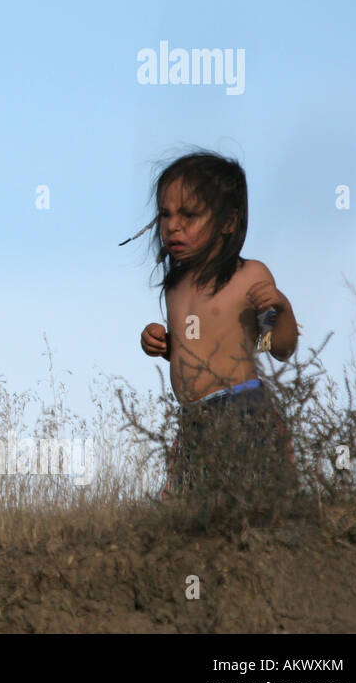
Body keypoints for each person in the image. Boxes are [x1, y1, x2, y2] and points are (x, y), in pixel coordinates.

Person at [123, 151, 300, 504]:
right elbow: (196, 345)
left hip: (242, 409)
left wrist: (282, 309)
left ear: (228, 222)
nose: (173, 226)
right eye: (166, 214)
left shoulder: (248, 277)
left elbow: (279, 347)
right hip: (193, 418)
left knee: (257, 501)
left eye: (189, 215)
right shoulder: (176, 286)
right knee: (190, 509)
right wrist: (162, 344)